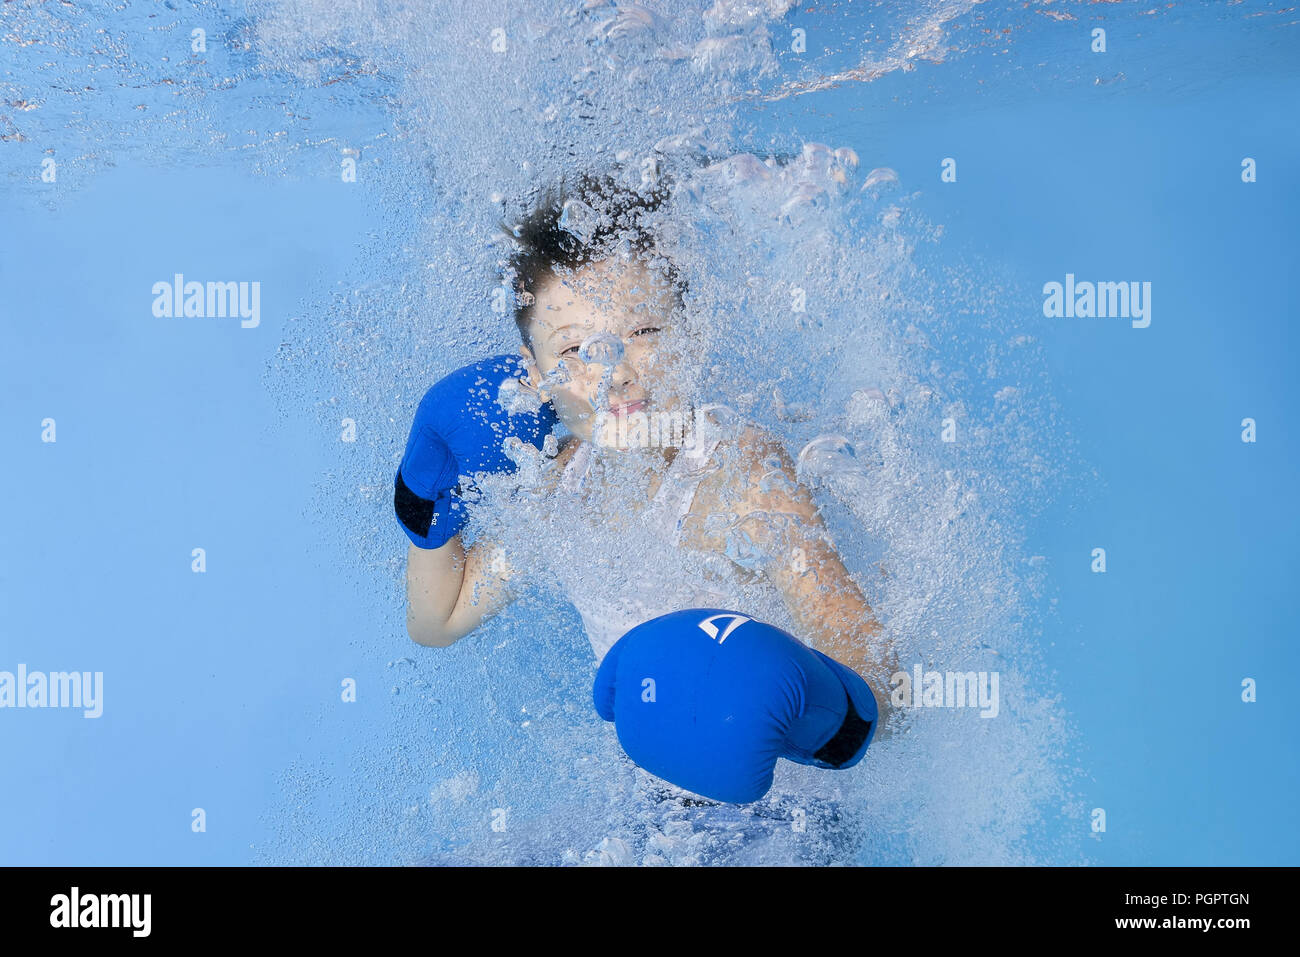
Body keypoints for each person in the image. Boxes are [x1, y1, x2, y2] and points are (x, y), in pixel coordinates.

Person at [395, 167, 897, 860]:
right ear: (534, 372)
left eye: (644, 330)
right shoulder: (557, 480)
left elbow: (883, 676)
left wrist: (821, 704)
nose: (616, 371)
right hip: (650, 812)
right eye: (575, 347)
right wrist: (424, 501)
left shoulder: (739, 472)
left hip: (789, 813)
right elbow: (438, 619)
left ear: (688, 330)